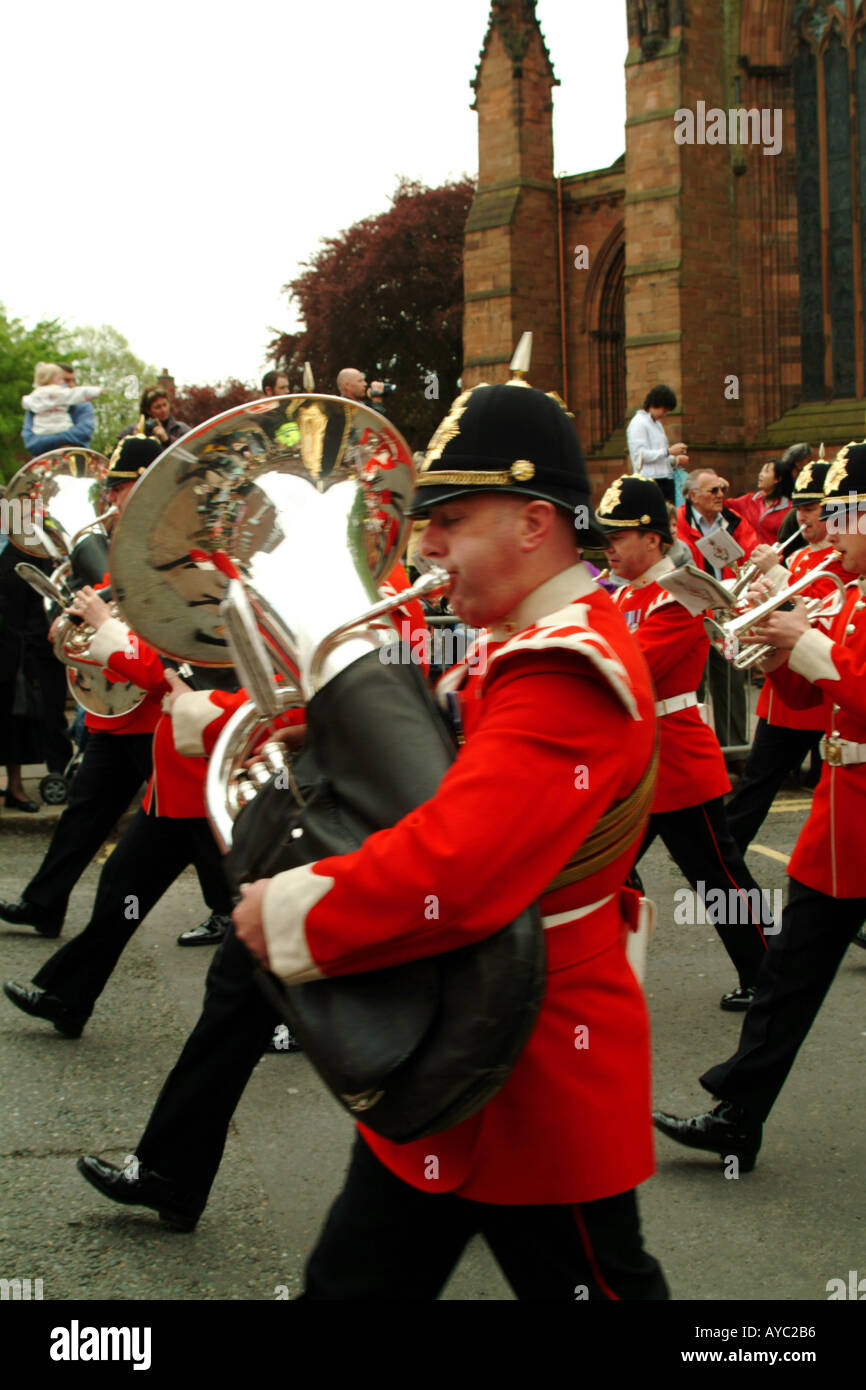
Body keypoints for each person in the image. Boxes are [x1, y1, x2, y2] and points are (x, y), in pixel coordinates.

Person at [227, 383, 667, 1300]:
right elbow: (455, 767)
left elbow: (460, 867)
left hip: (532, 1054)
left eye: (452, 519)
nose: (425, 544)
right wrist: (331, 735)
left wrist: (298, 910)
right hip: (468, 1039)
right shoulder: (526, 637)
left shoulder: (560, 664)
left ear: (536, 524)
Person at [653, 442, 866, 1171]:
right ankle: (738, 1113)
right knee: (789, 976)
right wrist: (783, 655)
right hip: (845, 820)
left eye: (843, 514)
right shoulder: (848, 590)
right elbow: (817, 698)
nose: (828, 529)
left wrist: (816, 652)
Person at [0, 437, 221, 941]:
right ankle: (44, 902)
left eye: (122, 489)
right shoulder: (119, 543)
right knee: (85, 810)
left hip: (157, 705)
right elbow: (104, 601)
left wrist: (103, 617)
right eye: (114, 489)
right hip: (117, 707)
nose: (113, 500)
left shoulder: (171, 538)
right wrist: (67, 619)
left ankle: (229, 904)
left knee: (184, 816)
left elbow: (164, 617)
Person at [598, 475, 773, 1011]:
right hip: (634, 759)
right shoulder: (627, 592)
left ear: (652, 538)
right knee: (603, 868)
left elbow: (633, 668)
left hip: (673, 759)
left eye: (617, 537)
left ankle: (769, 975)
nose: (607, 548)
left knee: (718, 878)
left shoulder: (679, 593)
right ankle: (600, 974)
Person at [725, 461, 849, 853]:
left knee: (776, 782)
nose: (804, 516)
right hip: (790, 689)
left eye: (814, 508)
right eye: (800, 508)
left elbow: (821, 615)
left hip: (824, 686)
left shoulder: (843, 560)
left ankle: (722, 857)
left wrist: (778, 577)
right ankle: (724, 856)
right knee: (761, 782)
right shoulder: (798, 560)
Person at [678, 469, 758, 748]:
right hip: (693, 614)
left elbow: (750, 559)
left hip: (729, 614)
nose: (721, 495)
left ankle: (734, 748)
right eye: (713, 490)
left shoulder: (735, 522)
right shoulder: (677, 522)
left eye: (722, 489)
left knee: (733, 680)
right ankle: (693, 747)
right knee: (692, 683)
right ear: (693, 495)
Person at [626, 385, 688, 503]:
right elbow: (640, 455)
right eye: (664, 410)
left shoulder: (657, 424)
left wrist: (675, 460)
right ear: (655, 404)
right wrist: (668, 451)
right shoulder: (638, 423)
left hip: (665, 479)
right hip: (649, 481)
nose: (664, 414)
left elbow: (659, 457)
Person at [21, 362, 97, 455]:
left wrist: (47, 440)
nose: (72, 385)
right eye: (65, 380)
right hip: (44, 464)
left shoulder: (83, 405)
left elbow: (83, 434)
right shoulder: (37, 405)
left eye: (73, 380)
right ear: (48, 381)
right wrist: (64, 442)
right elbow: (31, 443)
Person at [726, 457, 795, 547]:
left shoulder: (789, 509)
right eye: (761, 471)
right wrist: (720, 488)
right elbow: (722, 505)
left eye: (766, 471)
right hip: (748, 557)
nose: (760, 474)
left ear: (778, 479)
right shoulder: (748, 500)